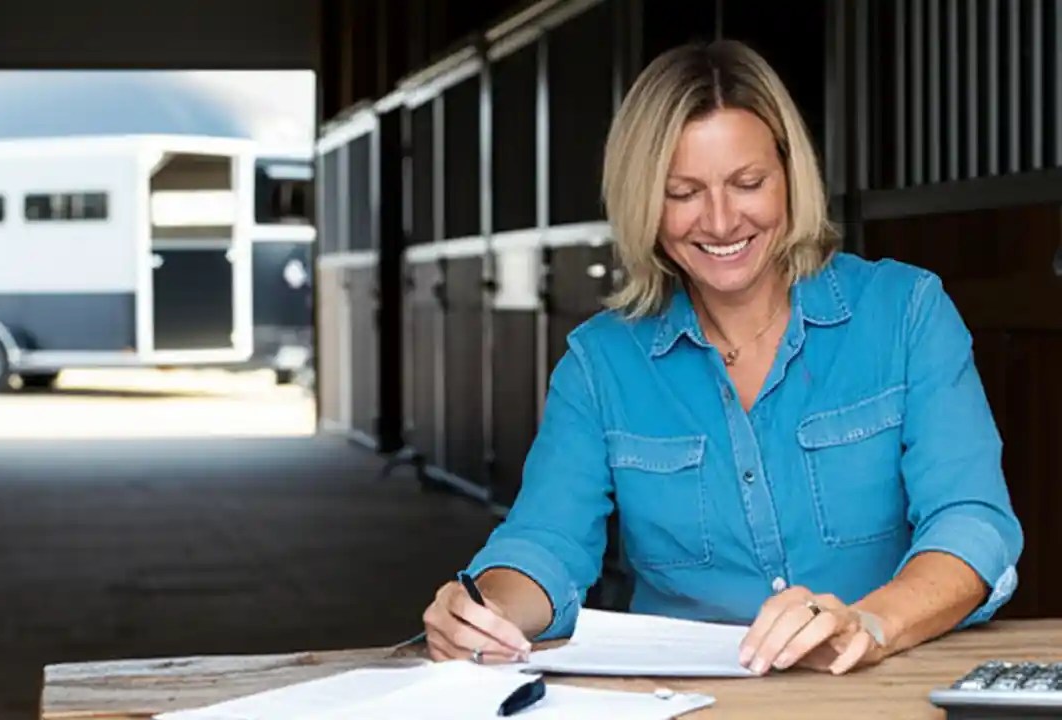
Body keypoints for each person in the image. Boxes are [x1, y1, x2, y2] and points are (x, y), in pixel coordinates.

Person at [421, 39, 1023, 676]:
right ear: (644, 200)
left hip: (879, 682)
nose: (721, 220)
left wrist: (871, 623)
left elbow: (971, 520)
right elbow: (546, 539)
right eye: (683, 192)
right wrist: (486, 610)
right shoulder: (599, 363)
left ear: (791, 176)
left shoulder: (906, 311)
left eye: (748, 183)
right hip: (685, 699)